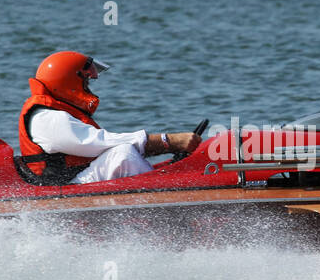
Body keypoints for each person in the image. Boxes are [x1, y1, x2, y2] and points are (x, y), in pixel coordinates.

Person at [18, 51, 201, 185]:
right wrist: (169, 141)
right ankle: (171, 199)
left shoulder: (54, 112)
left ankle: (170, 189)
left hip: (74, 182)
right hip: (61, 191)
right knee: (123, 155)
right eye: (86, 83)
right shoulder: (47, 118)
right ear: (70, 83)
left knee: (124, 153)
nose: (89, 89)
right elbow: (98, 143)